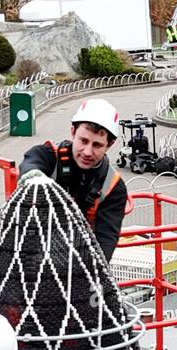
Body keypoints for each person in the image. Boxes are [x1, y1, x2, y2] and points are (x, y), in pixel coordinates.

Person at [18, 98, 128, 260]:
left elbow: (105, 242)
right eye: (83, 141)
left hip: (78, 262)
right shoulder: (48, 156)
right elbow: (31, 162)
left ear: (110, 144)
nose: (87, 152)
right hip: (32, 254)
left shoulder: (112, 186)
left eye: (97, 145)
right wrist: (34, 178)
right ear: (72, 132)